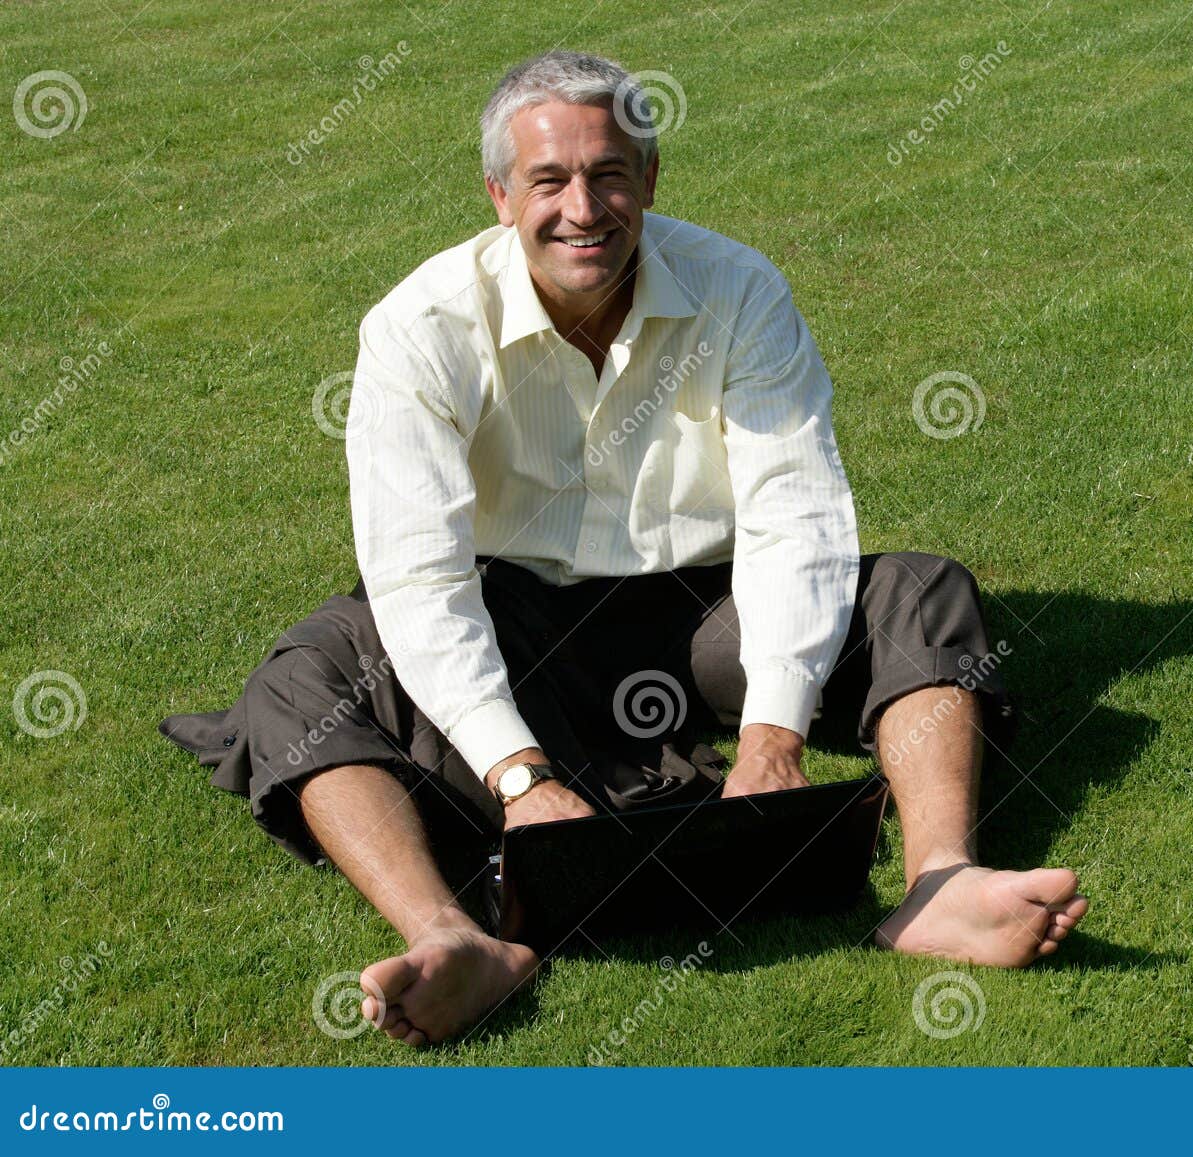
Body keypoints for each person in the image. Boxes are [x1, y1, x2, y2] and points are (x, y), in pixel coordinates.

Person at [160, 50, 1088, 1048]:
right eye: (548, 181)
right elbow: (418, 573)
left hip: (706, 620)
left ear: (649, 179)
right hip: (518, 626)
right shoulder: (418, 328)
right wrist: (520, 776)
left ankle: (938, 880)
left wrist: (773, 737)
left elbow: (797, 511)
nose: (583, 208)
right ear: (499, 196)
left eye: (609, 174)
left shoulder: (738, 289)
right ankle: (452, 936)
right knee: (308, 671)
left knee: (918, 589)